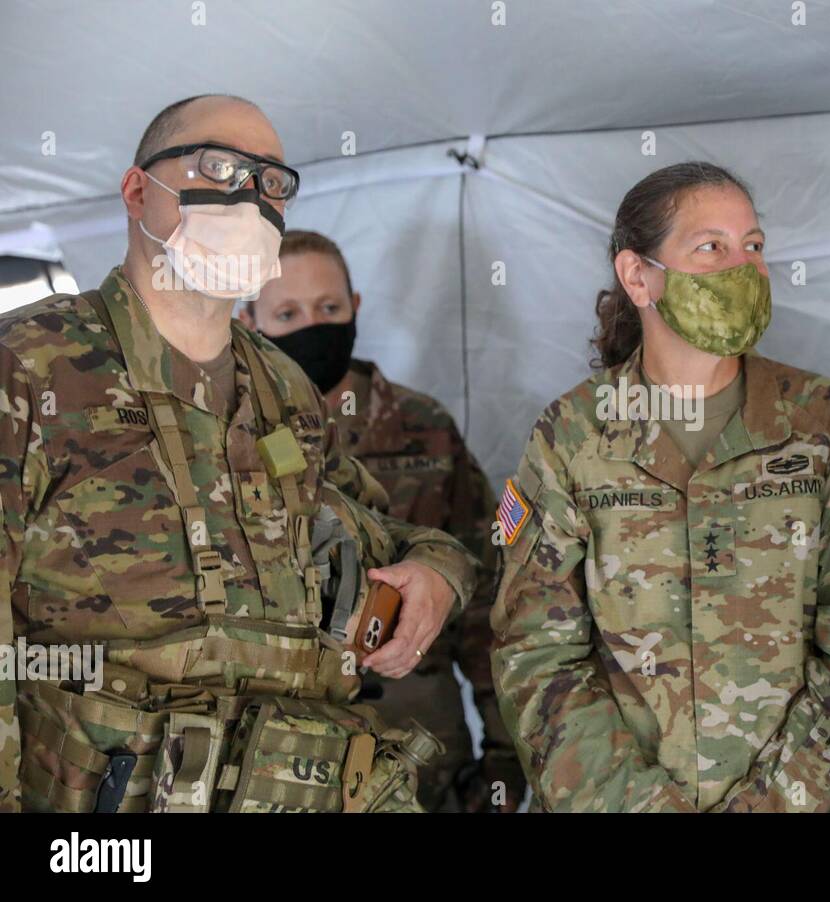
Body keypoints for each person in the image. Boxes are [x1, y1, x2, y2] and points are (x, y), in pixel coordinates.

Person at [0, 94, 476, 813]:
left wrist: (437, 574)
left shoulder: (284, 389)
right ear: (138, 190)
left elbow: (389, 533)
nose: (249, 195)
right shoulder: (31, 367)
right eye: (218, 166)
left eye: (271, 181)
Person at [490, 161, 830, 812]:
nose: (744, 267)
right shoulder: (571, 436)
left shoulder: (818, 419)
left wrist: (774, 803)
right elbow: (536, 653)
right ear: (638, 275)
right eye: (712, 246)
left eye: (754, 246)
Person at [240, 229, 525, 812]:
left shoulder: (425, 428)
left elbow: (490, 601)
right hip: (282, 753)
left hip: (419, 734)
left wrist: (505, 751)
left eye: (328, 308)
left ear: (356, 308)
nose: (311, 326)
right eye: (287, 312)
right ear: (251, 320)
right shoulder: (235, 438)